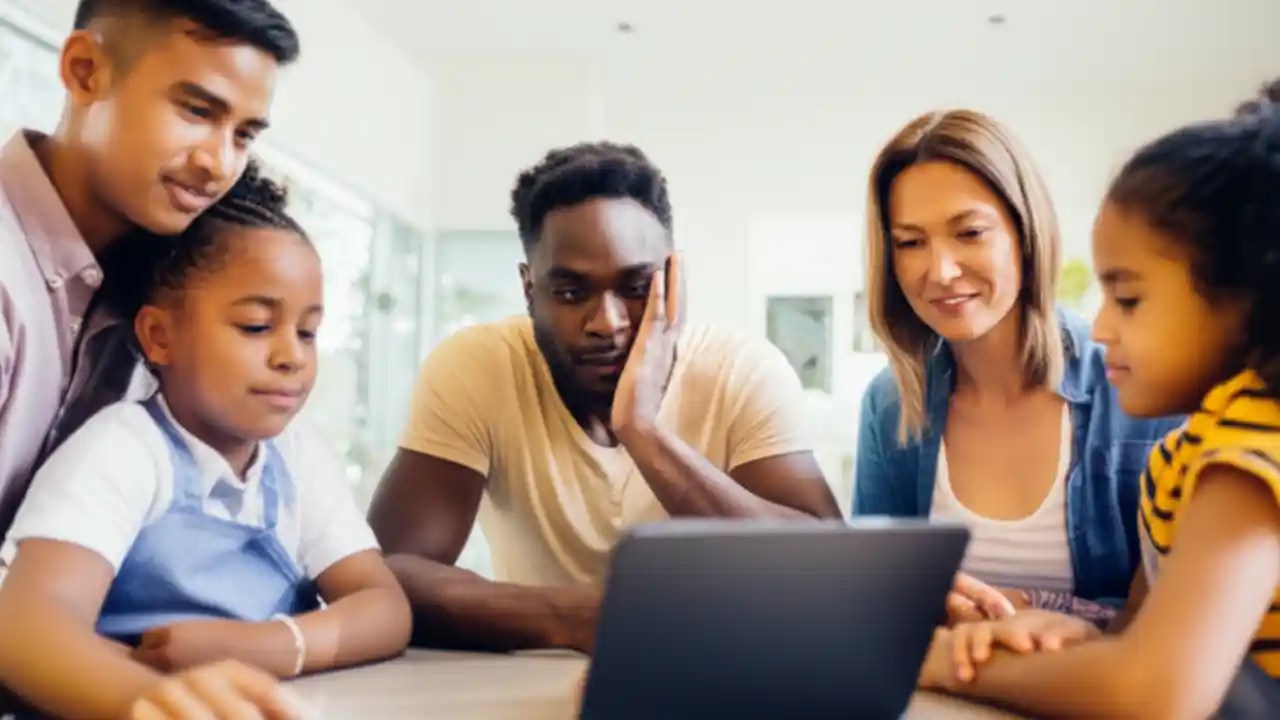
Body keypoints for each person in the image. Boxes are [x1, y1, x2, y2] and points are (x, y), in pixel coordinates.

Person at [368, 142, 840, 654]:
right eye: (572, 293)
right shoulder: (479, 366)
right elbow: (380, 577)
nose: (607, 323)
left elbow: (827, 576)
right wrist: (580, 618)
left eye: (637, 288)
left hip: (727, 678)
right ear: (529, 290)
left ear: (674, 280)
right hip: (526, 685)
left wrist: (644, 431)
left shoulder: (742, 369)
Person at [0, 167, 411, 719]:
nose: (291, 355)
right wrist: (154, 693)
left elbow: (383, 607)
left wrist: (257, 648)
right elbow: (28, 622)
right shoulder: (123, 449)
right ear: (159, 336)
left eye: (308, 331)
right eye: (255, 327)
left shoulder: (299, 456)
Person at [916, 107, 1280, 719]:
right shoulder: (1183, 455)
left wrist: (937, 660)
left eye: (1130, 299)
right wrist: (1067, 638)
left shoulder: (1251, 449)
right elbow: (1135, 642)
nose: (1103, 327)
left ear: (1246, 302)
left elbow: (1156, 694)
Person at [852, 110, 1182, 626]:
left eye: (970, 233)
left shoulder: (1138, 387)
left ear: (1025, 233)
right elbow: (873, 598)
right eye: (910, 243)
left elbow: (1176, 616)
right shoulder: (891, 403)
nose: (939, 271)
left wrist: (1032, 607)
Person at [0, 0, 298, 537]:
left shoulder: (169, 287)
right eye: (197, 111)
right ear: (85, 71)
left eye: (245, 135)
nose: (219, 164)